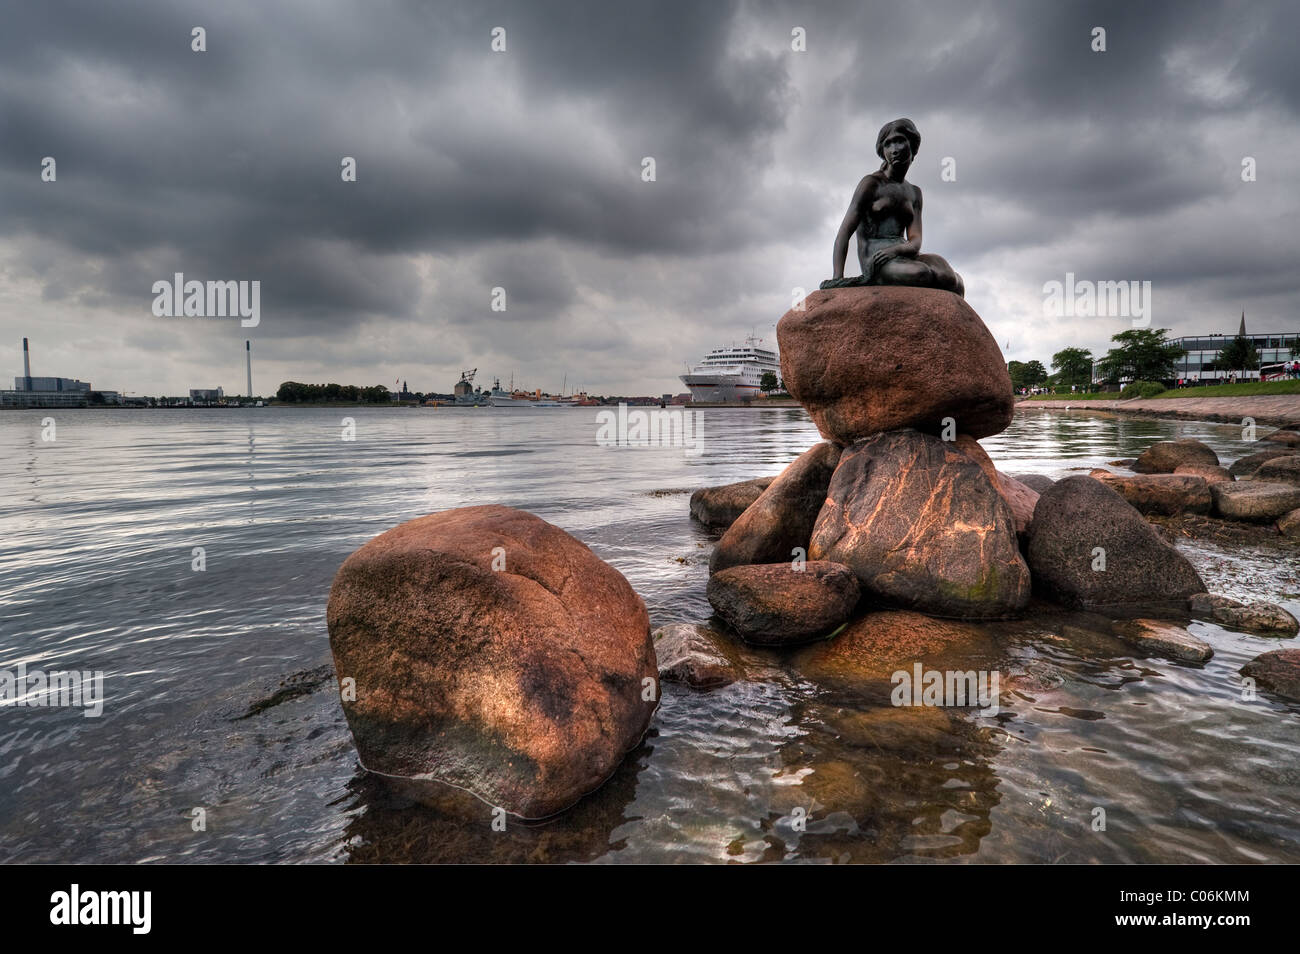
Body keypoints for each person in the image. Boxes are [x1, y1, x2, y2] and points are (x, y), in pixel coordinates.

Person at [825, 118, 965, 296]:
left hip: (903, 253)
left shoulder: (914, 193)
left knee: (952, 280)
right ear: (882, 151)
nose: (894, 149)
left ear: (912, 145)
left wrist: (896, 249)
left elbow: (915, 241)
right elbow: (843, 234)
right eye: (888, 144)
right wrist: (838, 277)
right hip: (877, 259)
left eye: (900, 141)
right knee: (922, 274)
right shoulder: (871, 183)